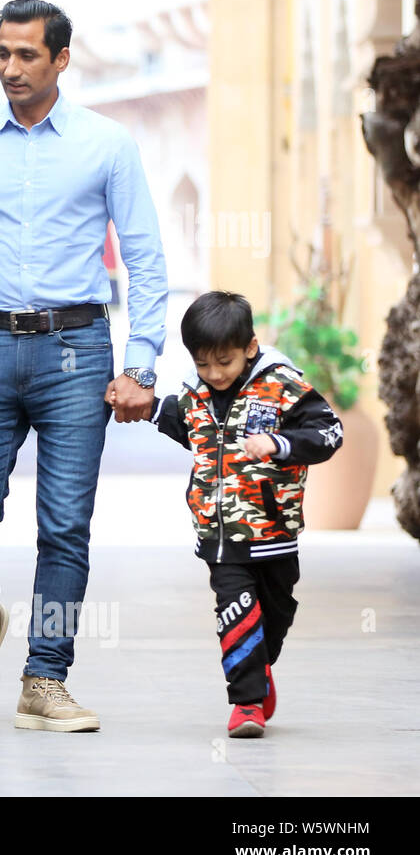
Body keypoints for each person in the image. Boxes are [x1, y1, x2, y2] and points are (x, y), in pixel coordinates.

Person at [0, 0, 169, 731]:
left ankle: (45, 675)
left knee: (65, 525)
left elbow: (144, 256)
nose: (11, 67)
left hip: (78, 351)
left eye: (26, 55)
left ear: (60, 59)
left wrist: (141, 363)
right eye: (2, 53)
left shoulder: (107, 144)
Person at [134, 291, 343, 738]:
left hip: (274, 531)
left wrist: (281, 444)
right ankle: (246, 704)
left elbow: (329, 432)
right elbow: (182, 424)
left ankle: (259, 668)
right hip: (219, 535)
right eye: (203, 364)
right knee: (235, 612)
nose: (214, 374)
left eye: (224, 363)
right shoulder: (196, 394)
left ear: (249, 348)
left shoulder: (282, 386)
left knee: (277, 612)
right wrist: (146, 408)